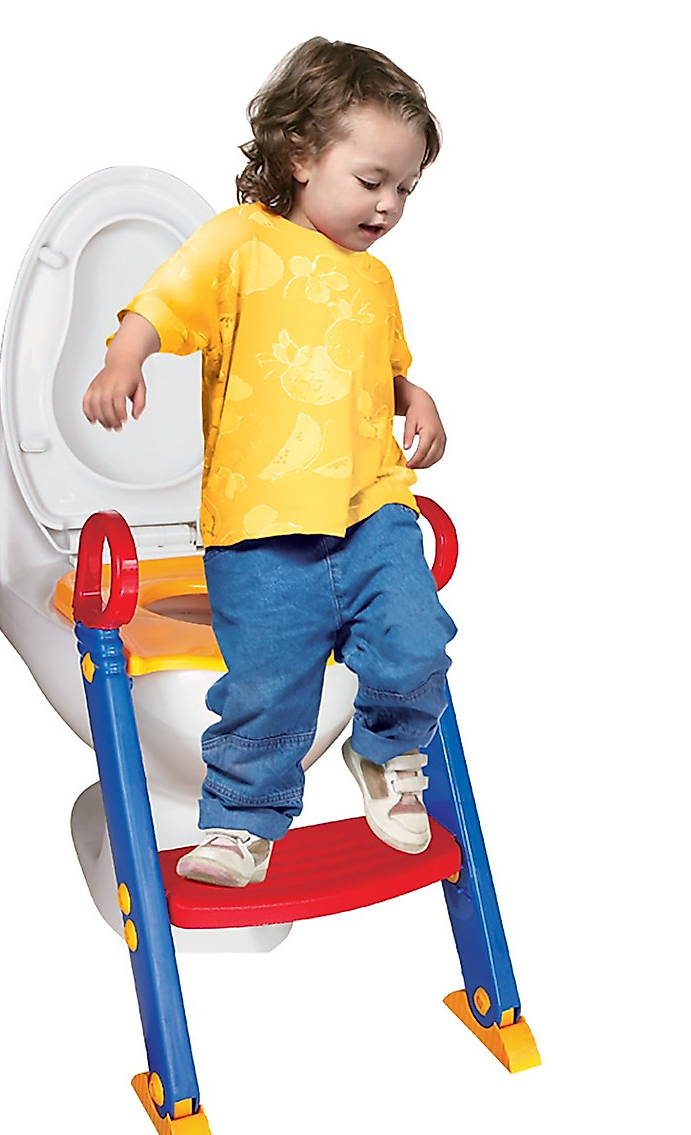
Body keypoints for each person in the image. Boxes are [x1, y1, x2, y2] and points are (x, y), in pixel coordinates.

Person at [81, 37, 457, 887]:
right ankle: (241, 828)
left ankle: (385, 753)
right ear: (299, 155)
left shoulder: (374, 281)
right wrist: (124, 358)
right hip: (261, 525)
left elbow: (378, 372)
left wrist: (415, 398)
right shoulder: (241, 243)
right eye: (372, 180)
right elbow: (162, 299)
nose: (389, 205)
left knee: (416, 640)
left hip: (371, 509)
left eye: (405, 188)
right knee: (267, 686)